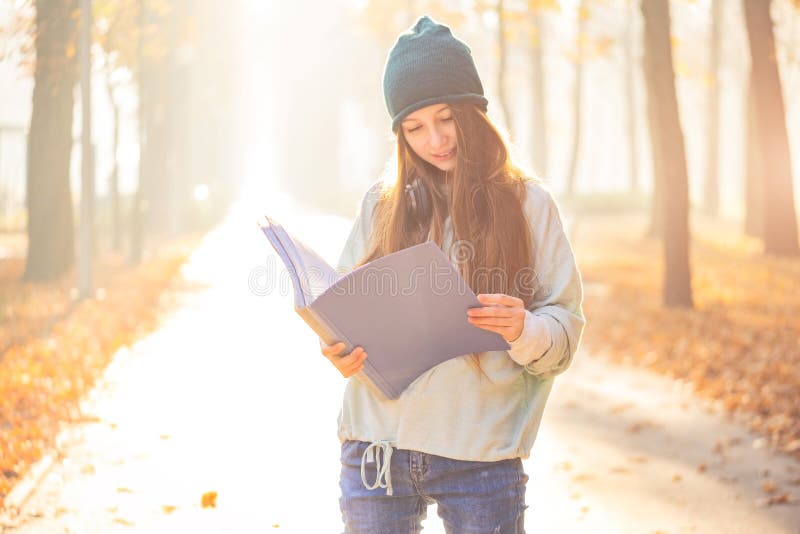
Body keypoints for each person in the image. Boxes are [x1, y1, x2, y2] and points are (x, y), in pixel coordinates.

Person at [320, 15, 586, 534]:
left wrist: (522, 328)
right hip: (376, 451)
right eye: (414, 127)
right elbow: (343, 307)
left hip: (481, 456)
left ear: (473, 114)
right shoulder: (381, 205)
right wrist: (338, 347)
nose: (435, 140)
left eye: (446, 119)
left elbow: (565, 331)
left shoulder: (529, 204)